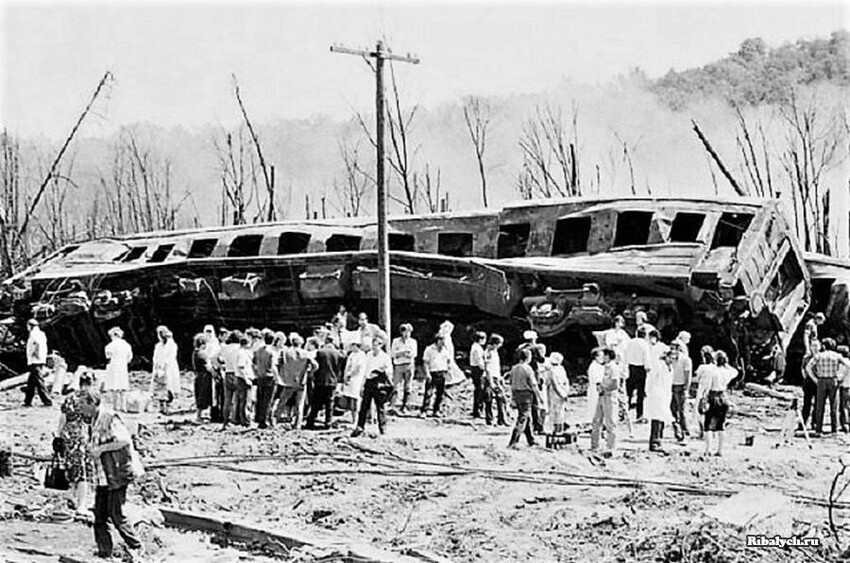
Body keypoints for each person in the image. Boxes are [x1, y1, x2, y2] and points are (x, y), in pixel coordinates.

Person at [81, 393, 145, 561]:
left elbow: (124, 440)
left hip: (117, 473)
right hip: (103, 475)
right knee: (100, 515)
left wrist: (101, 449)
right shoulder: (92, 421)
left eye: (83, 404)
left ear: (93, 403)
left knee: (116, 514)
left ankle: (136, 546)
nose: (80, 408)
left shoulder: (109, 417)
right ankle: (104, 552)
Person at [54, 371, 97, 514]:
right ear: (92, 383)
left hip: (68, 434)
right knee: (83, 471)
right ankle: (82, 505)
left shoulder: (70, 397)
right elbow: (94, 420)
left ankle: (72, 498)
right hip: (83, 436)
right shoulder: (91, 398)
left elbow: (62, 418)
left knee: (71, 467)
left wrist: (58, 435)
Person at [352, 333, 393, 437]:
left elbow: (389, 371)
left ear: (381, 345)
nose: (374, 347)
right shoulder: (368, 355)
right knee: (364, 406)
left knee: (380, 406)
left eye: (377, 345)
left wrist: (379, 372)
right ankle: (360, 426)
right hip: (369, 381)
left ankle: (383, 428)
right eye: (373, 344)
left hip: (379, 382)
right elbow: (365, 370)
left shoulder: (384, 357)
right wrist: (362, 384)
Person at [806, 337, 849, 435]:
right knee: (834, 405)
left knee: (819, 405)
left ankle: (818, 429)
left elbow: (808, 367)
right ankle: (834, 429)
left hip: (821, 380)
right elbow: (847, 365)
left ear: (824, 346)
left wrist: (815, 379)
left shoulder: (819, 356)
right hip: (833, 380)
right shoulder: (836, 355)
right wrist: (841, 376)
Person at [699, 350, 737, 456]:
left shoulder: (713, 372)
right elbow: (736, 372)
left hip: (713, 396)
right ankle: (720, 450)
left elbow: (707, 386)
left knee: (708, 425)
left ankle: (708, 450)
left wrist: (703, 397)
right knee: (721, 425)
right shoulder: (727, 372)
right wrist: (726, 364)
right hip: (724, 396)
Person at [274, 333, 316, 429]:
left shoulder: (285, 352)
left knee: (282, 401)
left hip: (288, 381)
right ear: (301, 344)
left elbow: (278, 363)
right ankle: (297, 424)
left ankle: (275, 420)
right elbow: (315, 365)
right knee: (299, 405)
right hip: (301, 381)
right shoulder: (306, 353)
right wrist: (309, 372)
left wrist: (282, 373)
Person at [508, 348, 541, 448]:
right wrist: (539, 397)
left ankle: (531, 439)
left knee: (527, 417)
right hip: (526, 395)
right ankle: (514, 441)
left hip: (517, 394)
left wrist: (512, 397)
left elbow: (511, 383)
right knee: (523, 417)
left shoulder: (514, 368)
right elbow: (533, 385)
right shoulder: (528, 369)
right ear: (528, 357)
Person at [306, 339, 343, 429]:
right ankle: (328, 423)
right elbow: (339, 369)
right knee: (330, 403)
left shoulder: (320, 352)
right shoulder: (339, 354)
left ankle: (310, 422)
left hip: (320, 380)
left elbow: (316, 366)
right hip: (332, 381)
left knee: (316, 402)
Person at [646, 347, 676, 453]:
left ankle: (659, 441)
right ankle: (654, 442)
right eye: (671, 357)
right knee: (657, 417)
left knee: (662, 418)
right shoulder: (658, 365)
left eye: (674, 358)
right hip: (657, 393)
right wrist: (649, 391)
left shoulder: (670, 368)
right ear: (666, 356)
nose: (672, 359)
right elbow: (650, 379)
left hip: (666, 394)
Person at [590, 348, 620, 454]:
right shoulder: (604, 368)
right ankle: (595, 445)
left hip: (610, 396)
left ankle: (611, 446)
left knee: (610, 422)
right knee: (596, 420)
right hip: (602, 395)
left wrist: (604, 387)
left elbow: (615, 384)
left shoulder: (613, 368)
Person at [517, 330, 547, 433]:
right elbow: (541, 360)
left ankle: (530, 425)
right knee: (536, 401)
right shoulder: (537, 347)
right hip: (534, 373)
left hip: (522, 375)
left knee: (528, 401)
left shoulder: (520, 348)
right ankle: (538, 426)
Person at [150, 326, 180, 415]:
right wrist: (157, 365)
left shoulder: (172, 345)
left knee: (169, 385)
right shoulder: (158, 346)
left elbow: (170, 357)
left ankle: (168, 406)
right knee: (159, 385)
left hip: (169, 368)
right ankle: (161, 406)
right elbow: (155, 357)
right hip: (158, 367)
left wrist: (164, 365)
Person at [422, 334, 453, 417]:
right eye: (441, 341)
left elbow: (448, 361)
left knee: (440, 393)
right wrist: (427, 373)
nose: (443, 343)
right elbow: (425, 363)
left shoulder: (445, 350)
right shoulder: (429, 349)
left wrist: (448, 371)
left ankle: (436, 410)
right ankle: (424, 411)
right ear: (437, 340)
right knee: (429, 393)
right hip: (433, 372)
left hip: (442, 372)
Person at [24, 318, 52, 407]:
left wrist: (33, 356)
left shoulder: (33, 335)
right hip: (40, 359)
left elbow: (34, 346)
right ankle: (27, 401)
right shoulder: (41, 334)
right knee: (31, 382)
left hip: (35, 360)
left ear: (30, 326)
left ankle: (47, 400)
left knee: (39, 382)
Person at [252, 332, 279, 429]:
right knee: (268, 400)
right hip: (269, 377)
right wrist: (277, 377)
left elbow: (253, 363)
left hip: (260, 376)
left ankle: (259, 419)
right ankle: (265, 421)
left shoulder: (258, 350)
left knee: (260, 399)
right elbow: (273, 366)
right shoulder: (272, 352)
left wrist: (256, 373)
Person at [391, 323, 418, 412]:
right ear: (402, 332)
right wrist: (402, 353)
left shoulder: (413, 342)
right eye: (405, 332)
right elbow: (393, 354)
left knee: (408, 385)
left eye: (409, 332)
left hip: (408, 365)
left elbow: (413, 354)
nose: (407, 334)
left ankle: (405, 406)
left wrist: (401, 353)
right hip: (398, 365)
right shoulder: (396, 341)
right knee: (396, 385)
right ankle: (393, 405)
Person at [104, 327, 132, 412]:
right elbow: (129, 357)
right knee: (123, 386)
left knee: (115, 386)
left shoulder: (110, 346)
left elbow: (108, 357)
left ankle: (116, 406)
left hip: (114, 366)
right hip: (123, 366)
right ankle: (123, 406)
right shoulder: (127, 345)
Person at [624, 326, 649, 422]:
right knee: (640, 393)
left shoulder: (630, 342)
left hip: (631, 367)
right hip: (641, 368)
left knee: (628, 392)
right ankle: (639, 414)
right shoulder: (644, 344)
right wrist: (648, 368)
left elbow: (625, 353)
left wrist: (626, 364)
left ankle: (624, 413)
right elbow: (646, 357)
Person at [670, 340, 693, 442]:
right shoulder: (670, 359)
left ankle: (685, 430)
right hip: (671, 385)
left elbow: (688, 374)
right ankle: (677, 430)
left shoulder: (685, 360)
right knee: (672, 409)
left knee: (682, 410)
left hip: (681, 386)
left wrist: (686, 388)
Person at [341, 339, 368, 424]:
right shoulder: (352, 354)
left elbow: (358, 368)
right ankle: (353, 418)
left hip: (357, 379)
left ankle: (357, 419)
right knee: (350, 398)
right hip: (349, 379)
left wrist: (350, 375)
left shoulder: (361, 355)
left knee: (356, 399)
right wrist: (345, 376)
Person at [482, 334, 507, 426]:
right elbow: (487, 368)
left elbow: (496, 366)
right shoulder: (488, 352)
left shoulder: (495, 351)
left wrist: (500, 378)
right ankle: (490, 419)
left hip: (496, 376)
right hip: (490, 377)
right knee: (489, 399)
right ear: (495, 344)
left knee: (501, 398)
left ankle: (502, 418)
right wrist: (491, 382)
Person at [543, 352, 570, 435]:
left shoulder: (551, 371)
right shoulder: (561, 369)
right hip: (562, 391)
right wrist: (565, 393)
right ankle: (560, 428)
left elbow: (554, 384)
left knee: (555, 411)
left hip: (555, 393)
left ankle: (556, 429)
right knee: (560, 411)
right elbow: (566, 381)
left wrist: (561, 394)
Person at [219, 332, 242, 428]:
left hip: (227, 372)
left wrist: (221, 366)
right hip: (237, 373)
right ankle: (235, 419)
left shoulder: (224, 348)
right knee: (237, 399)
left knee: (227, 399)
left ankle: (225, 420)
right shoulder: (240, 349)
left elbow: (214, 357)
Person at [232, 336, 255, 426]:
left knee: (239, 400)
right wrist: (246, 379)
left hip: (238, 377)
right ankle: (245, 421)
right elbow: (241, 367)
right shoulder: (243, 353)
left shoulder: (237, 351)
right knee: (246, 401)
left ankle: (236, 419)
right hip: (243, 378)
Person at [694, 346, 716, 438]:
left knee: (700, 412)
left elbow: (698, 378)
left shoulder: (702, 367)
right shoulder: (715, 367)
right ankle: (712, 432)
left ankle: (702, 431)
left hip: (703, 390)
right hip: (713, 390)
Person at [191, 334, 213, 421]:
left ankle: (199, 415)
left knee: (199, 394)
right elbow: (208, 366)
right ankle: (199, 417)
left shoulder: (195, 352)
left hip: (198, 375)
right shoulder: (202, 353)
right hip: (204, 376)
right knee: (203, 395)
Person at [801, 339, 821, 427]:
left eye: (816, 346)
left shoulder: (821, 356)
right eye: (813, 346)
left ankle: (815, 423)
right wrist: (805, 376)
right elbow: (803, 368)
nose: (814, 348)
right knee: (806, 404)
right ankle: (803, 423)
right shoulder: (806, 357)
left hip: (819, 382)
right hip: (808, 382)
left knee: (818, 404)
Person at [469, 331, 487, 418]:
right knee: (480, 390)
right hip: (477, 370)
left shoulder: (477, 347)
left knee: (479, 390)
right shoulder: (476, 348)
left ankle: (478, 409)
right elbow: (479, 361)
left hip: (476, 369)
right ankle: (477, 410)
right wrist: (485, 369)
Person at [586, 347, 605, 424]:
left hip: (600, 388)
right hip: (595, 390)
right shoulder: (594, 366)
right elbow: (597, 380)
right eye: (600, 356)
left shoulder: (600, 366)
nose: (602, 358)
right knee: (595, 408)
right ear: (596, 357)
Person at [838, 345, 850, 433]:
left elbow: (840, 376)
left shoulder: (843, 363)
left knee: (844, 406)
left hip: (844, 386)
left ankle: (845, 424)